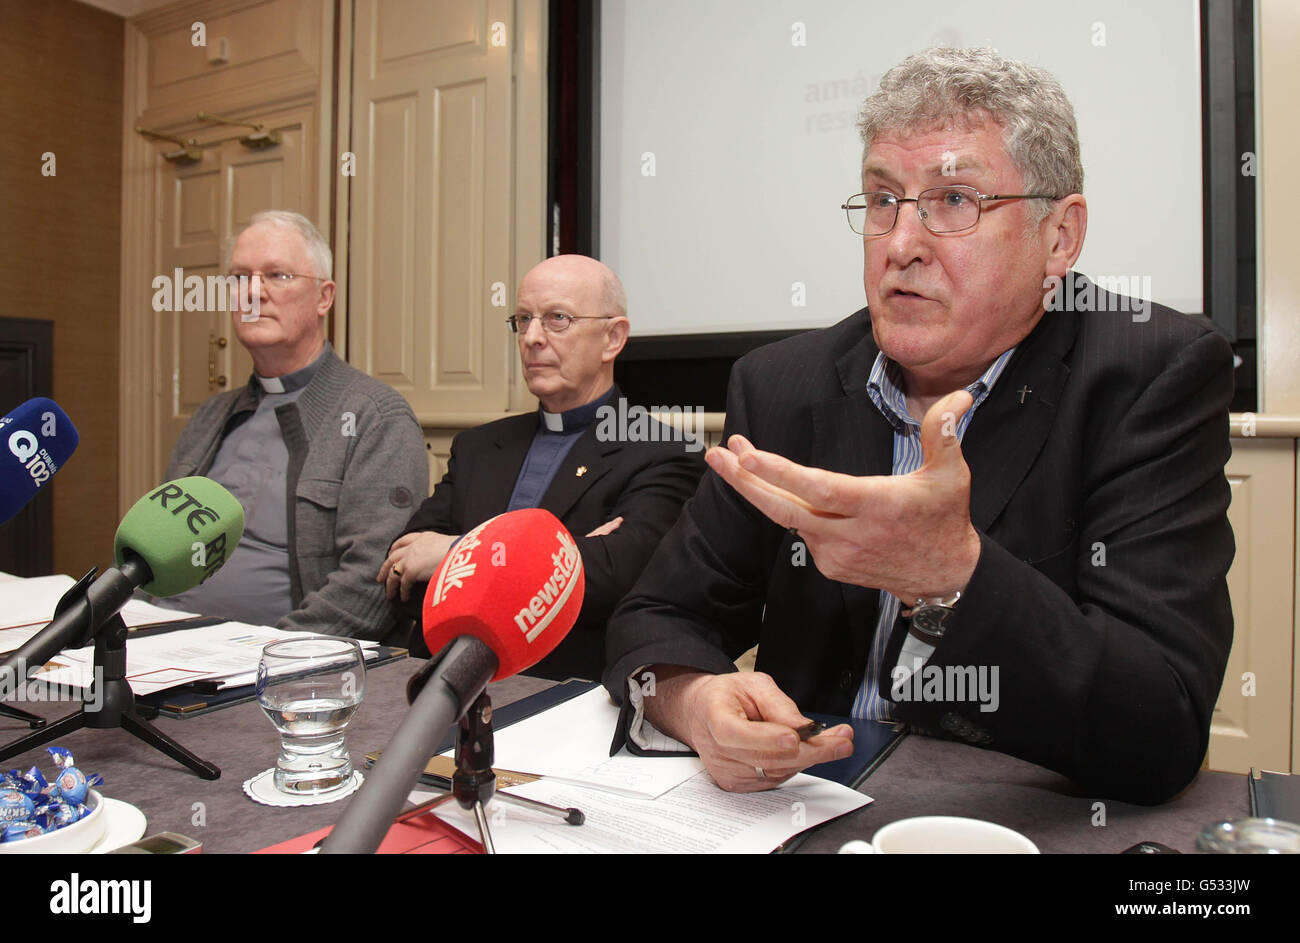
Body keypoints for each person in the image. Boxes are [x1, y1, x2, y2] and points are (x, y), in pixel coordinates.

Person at [602, 47, 1235, 804]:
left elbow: (1161, 724)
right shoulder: (781, 386)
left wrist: (955, 576)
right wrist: (693, 701)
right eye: (882, 199)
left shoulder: (1149, 373)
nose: (900, 244)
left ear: (1059, 238)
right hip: (807, 810)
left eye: (955, 200)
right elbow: (658, 615)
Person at [379, 255, 706, 681]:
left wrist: (452, 551)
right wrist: (565, 551)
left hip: (563, 690)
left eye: (557, 319)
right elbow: (402, 577)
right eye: (523, 319)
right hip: (441, 682)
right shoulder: (479, 447)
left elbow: (611, 582)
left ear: (613, 338)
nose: (532, 337)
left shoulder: (665, 452)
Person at [158, 210, 428, 640]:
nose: (252, 293)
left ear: (324, 297)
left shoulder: (374, 417)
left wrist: (270, 656)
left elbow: (373, 583)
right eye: (239, 278)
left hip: (274, 667)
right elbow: (155, 546)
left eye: (277, 276)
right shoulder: (210, 417)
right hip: (160, 644)